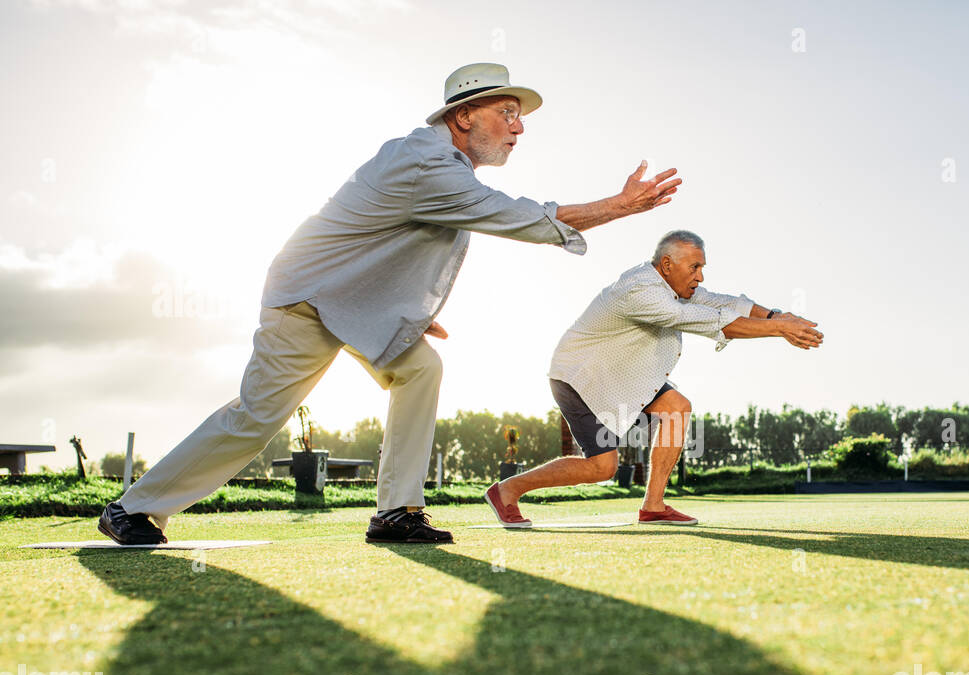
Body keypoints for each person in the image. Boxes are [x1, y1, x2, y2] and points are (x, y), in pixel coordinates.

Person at [98, 62, 681, 547]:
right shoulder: (427, 161)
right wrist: (621, 207)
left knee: (421, 368)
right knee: (256, 417)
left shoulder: (442, 165)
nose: (517, 128)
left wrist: (410, 310)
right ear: (462, 117)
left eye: (519, 117)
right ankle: (133, 508)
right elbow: (519, 217)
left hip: (355, 302)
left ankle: (396, 512)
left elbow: (395, 244)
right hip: (308, 298)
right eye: (506, 114)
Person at [483, 230, 823, 528]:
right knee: (602, 468)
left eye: (702, 267)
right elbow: (712, 322)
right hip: (581, 375)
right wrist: (778, 328)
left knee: (677, 407)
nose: (701, 276)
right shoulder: (641, 290)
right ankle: (506, 490)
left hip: (626, 374)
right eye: (695, 267)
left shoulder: (676, 286)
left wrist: (776, 315)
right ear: (666, 265)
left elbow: (728, 303)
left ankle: (653, 505)